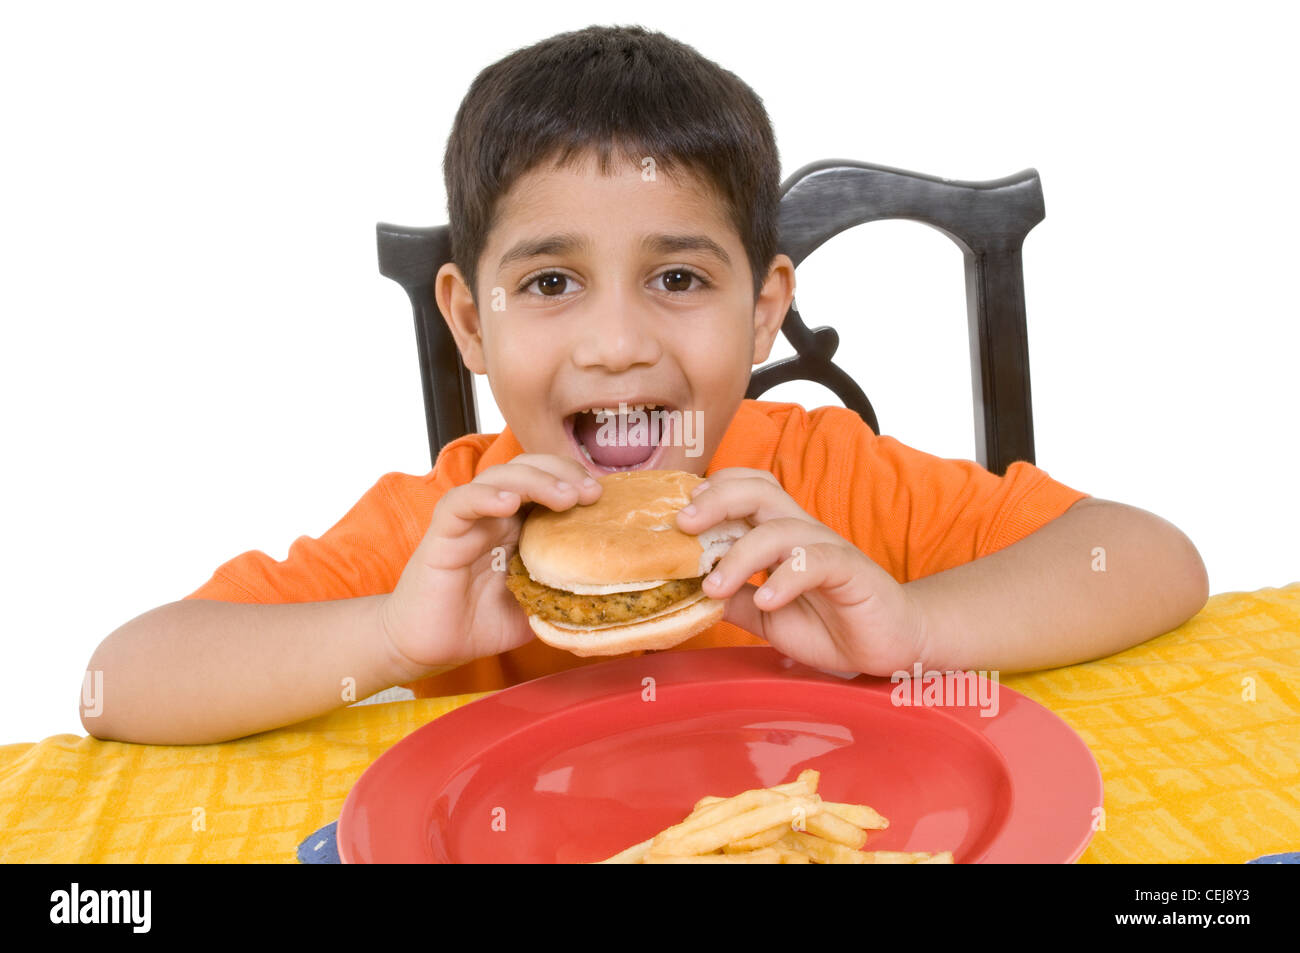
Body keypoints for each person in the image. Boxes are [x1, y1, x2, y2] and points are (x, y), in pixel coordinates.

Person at [81, 25, 1208, 745]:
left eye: (676, 275)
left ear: (763, 307)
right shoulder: (451, 530)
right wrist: (389, 635)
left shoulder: (818, 477)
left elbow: (1152, 557)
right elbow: (121, 680)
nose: (617, 341)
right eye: (554, 279)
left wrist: (915, 626)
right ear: (471, 320)